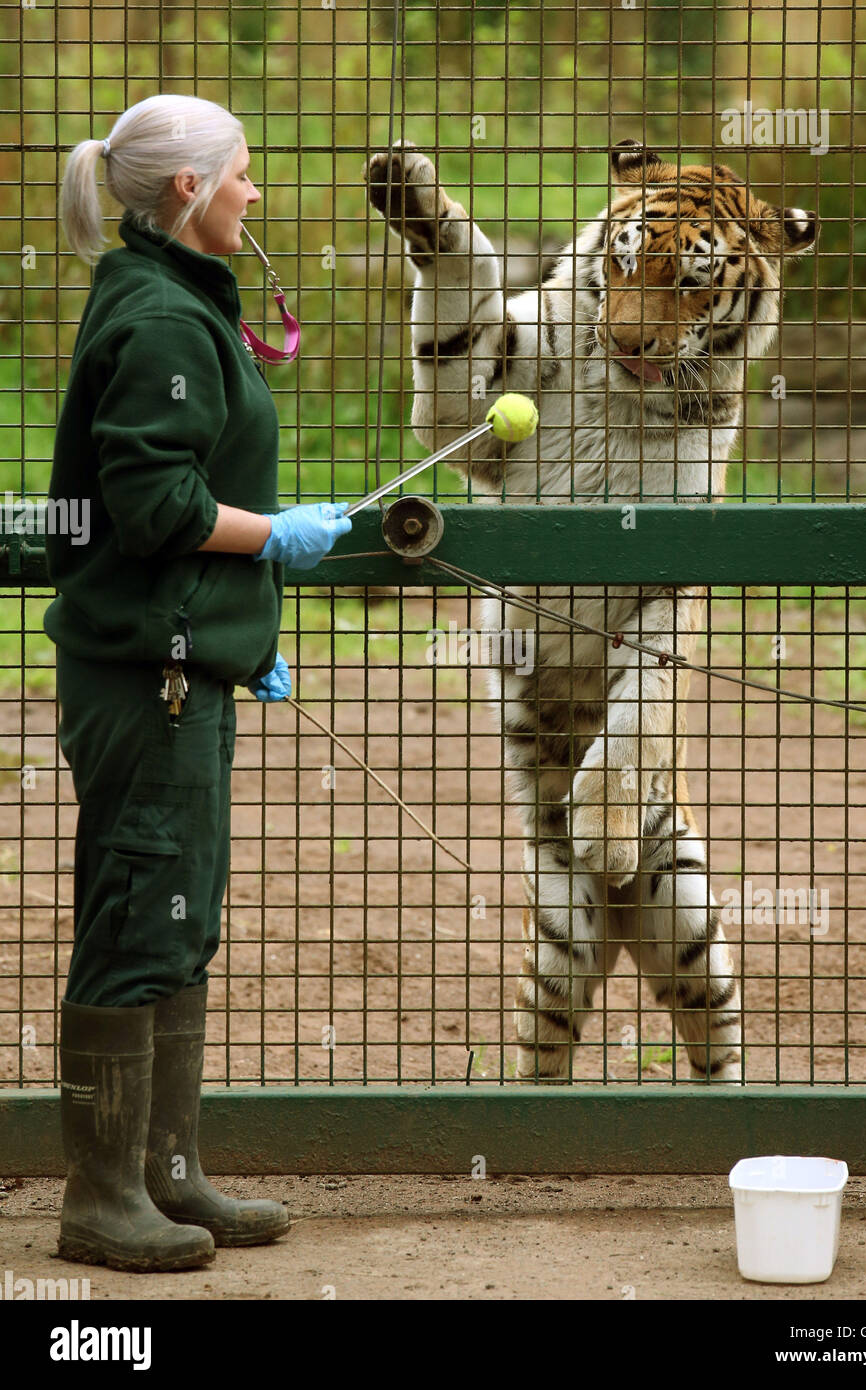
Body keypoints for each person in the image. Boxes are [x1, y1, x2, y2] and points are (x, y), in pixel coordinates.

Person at [48, 93, 351, 1272]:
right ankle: (101, 1193)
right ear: (188, 189)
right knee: (142, 911)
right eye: (242, 174)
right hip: (148, 675)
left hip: (185, 661)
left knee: (178, 911)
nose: (255, 194)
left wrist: (236, 629)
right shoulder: (164, 321)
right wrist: (274, 536)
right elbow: (155, 506)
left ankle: (167, 1175)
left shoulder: (174, 298)